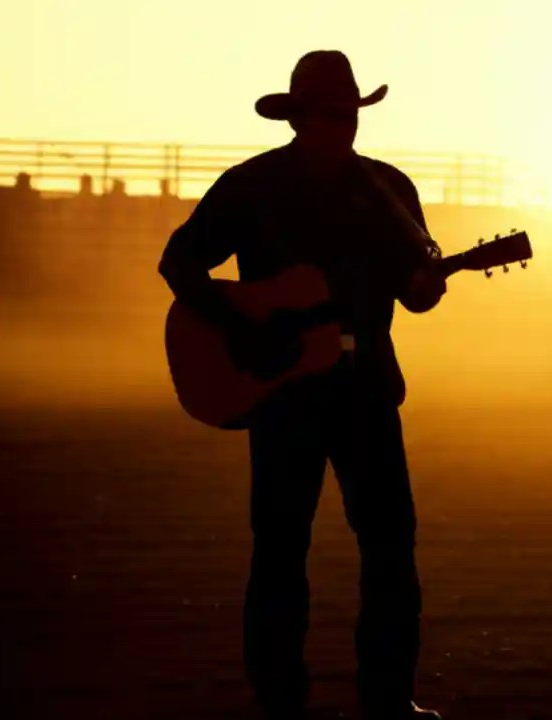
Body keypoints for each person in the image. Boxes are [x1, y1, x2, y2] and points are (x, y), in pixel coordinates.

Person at [158, 50, 446, 720]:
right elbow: (180, 261)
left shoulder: (388, 189)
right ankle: (280, 701)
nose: (341, 126)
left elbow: (417, 290)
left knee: (389, 543)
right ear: (297, 117)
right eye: (327, 114)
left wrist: (427, 286)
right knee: (281, 546)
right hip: (282, 392)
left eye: (348, 114)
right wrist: (241, 325)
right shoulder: (252, 186)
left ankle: (389, 699)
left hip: (367, 385)